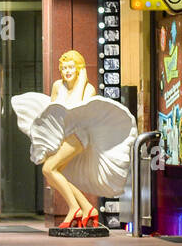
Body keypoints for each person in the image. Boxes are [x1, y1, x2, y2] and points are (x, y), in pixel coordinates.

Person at [10, 50, 136, 229]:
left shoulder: (87, 89)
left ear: (78, 69)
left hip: (79, 136)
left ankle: (74, 208)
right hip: (62, 136)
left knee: (49, 169)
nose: (67, 71)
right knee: (59, 174)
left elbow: (76, 110)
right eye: (63, 68)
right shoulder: (57, 86)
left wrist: (83, 79)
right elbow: (51, 111)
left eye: (71, 67)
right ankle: (87, 208)